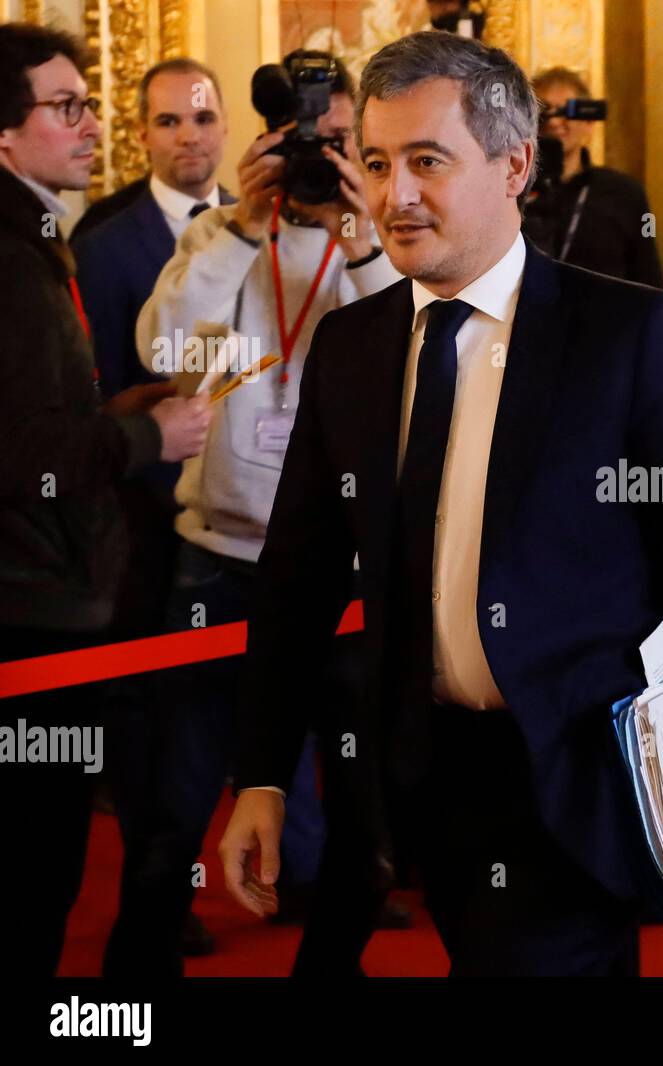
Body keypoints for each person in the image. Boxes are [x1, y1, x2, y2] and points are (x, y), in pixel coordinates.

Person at [218, 29, 663, 977]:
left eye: (426, 161)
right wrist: (258, 774)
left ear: (514, 166)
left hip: (580, 775)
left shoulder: (628, 338)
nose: (394, 195)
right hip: (420, 775)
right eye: (376, 162)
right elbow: (299, 577)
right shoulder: (352, 347)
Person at [106, 49, 404, 977]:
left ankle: (329, 965)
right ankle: (136, 977)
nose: (322, 159)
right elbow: (161, 345)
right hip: (221, 559)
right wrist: (239, 227)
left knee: (361, 807)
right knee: (175, 800)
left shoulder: (388, 243)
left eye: (344, 143)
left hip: (345, 571)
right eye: (306, 142)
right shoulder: (219, 235)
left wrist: (358, 242)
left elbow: (411, 367)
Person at [0, 22, 210, 975]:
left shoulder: (32, 232)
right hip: (31, 608)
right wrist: (144, 437)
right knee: (35, 866)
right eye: (67, 106)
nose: (92, 125)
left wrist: (119, 406)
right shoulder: (10, 254)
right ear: (6, 134)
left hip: (50, 588)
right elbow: (19, 449)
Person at [68, 58, 234, 959]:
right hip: (143, 524)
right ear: (144, 135)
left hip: (248, 521)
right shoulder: (101, 242)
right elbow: (89, 395)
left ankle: (309, 873)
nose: (189, 138)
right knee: (154, 727)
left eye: (202, 120)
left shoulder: (263, 227)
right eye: (169, 123)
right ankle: (159, 905)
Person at [521, 66, 663, 288]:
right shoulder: (511, 189)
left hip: (604, 317)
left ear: (589, 123)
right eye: (545, 110)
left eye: (568, 110)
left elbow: (648, 276)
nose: (555, 121)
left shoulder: (626, 194)